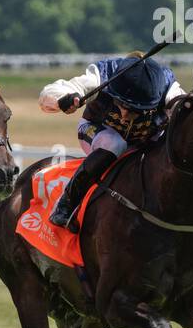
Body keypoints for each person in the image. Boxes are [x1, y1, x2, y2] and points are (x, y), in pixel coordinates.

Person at [39, 52, 185, 231]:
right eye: (120, 104)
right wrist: (64, 98)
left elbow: (186, 108)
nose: (124, 116)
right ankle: (66, 204)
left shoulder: (167, 86)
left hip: (145, 141)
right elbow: (49, 93)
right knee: (115, 143)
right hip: (96, 131)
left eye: (134, 110)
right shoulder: (103, 74)